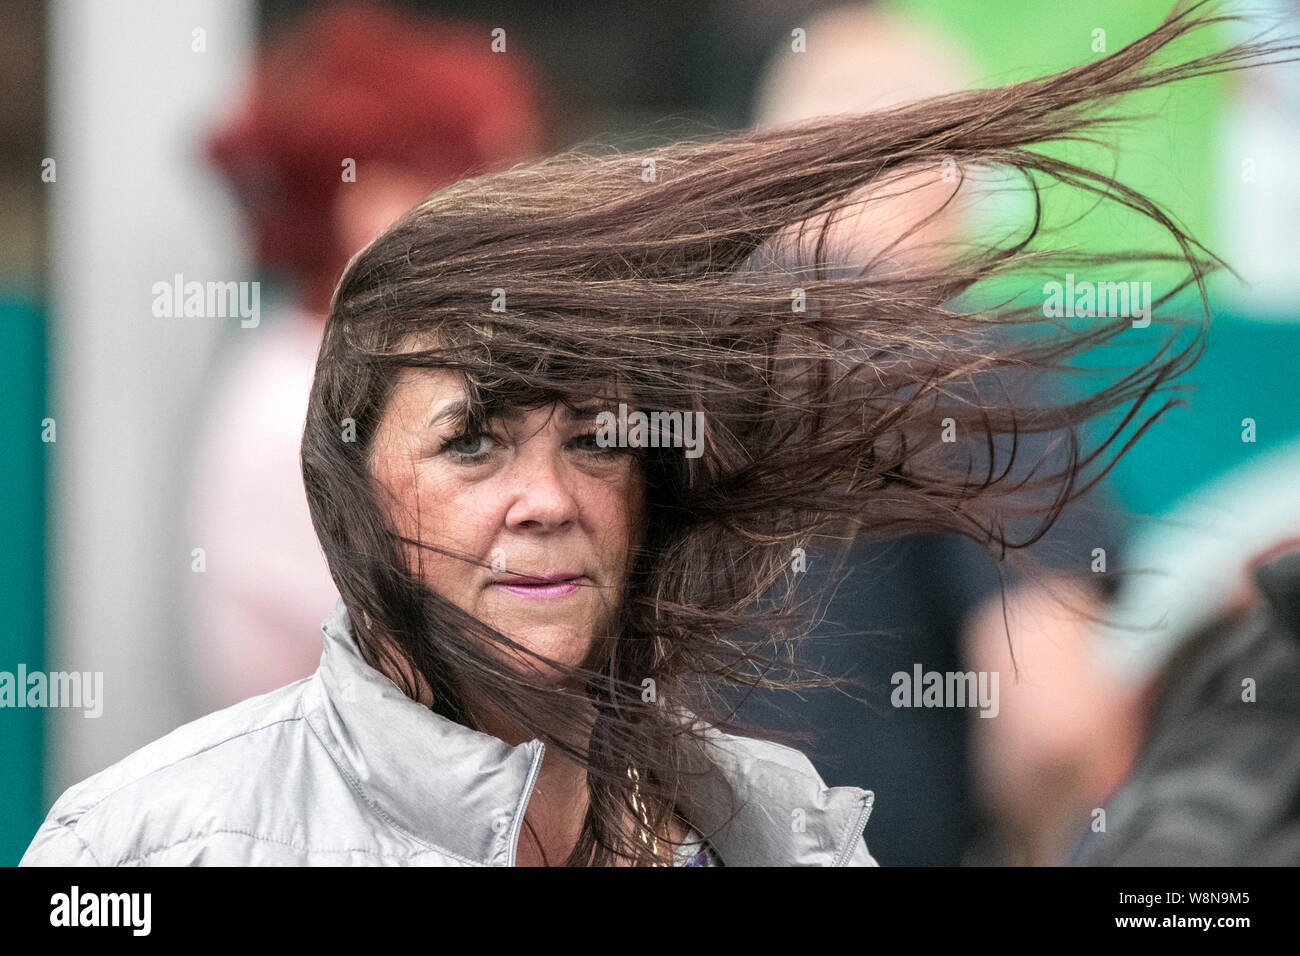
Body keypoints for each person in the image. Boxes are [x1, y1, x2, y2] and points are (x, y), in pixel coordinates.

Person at [20, 1, 1293, 867]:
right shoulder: (146, 844)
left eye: (596, 441)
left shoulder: (773, 827)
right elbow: (1051, 727)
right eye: (473, 441)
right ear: (349, 481)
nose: (546, 496)